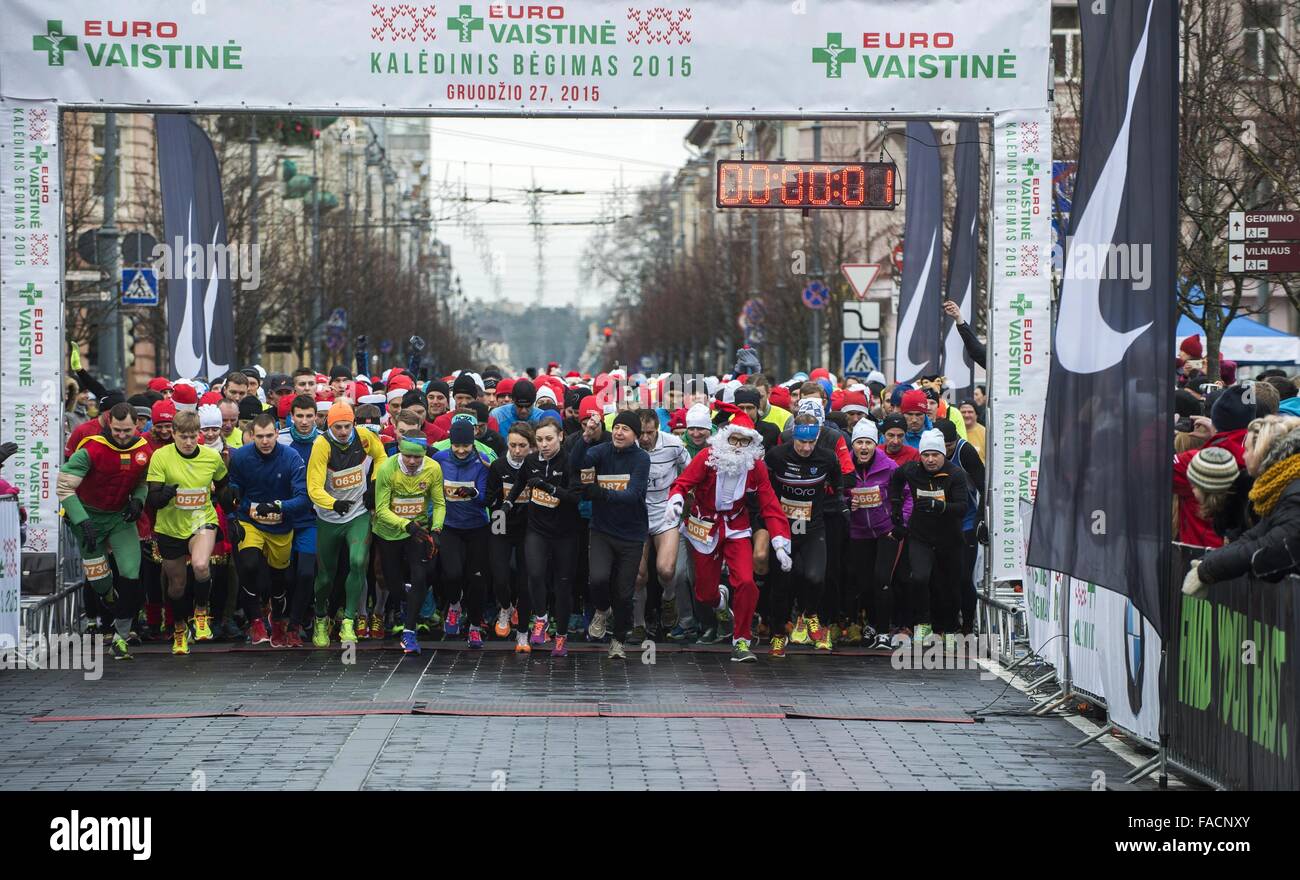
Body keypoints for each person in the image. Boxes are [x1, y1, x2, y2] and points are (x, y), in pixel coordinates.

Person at [663, 403, 792, 662]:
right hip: (704, 527)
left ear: (751, 446)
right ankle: (720, 600)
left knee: (745, 582)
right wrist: (675, 501)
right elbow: (682, 483)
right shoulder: (707, 458)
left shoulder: (755, 467)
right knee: (705, 593)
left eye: (744, 442)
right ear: (724, 438)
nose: (737, 446)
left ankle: (741, 641)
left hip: (736, 527)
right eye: (733, 439)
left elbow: (769, 504)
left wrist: (780, 541)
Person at [56, 403, 153, 660]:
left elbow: (143, 481)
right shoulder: (92, 448)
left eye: (128, 430)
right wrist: (81, 519)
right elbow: (64, 487)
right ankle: (110, 599)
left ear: (137, 426)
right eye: (118, 430)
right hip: (88, 519)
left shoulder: (143, 449)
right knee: (101, 583)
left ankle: (121, 638)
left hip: (119, 519)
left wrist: (138, 501)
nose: (123, 436)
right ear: (110, 424)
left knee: (131, 573)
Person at [146, 409, 231, 655]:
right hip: (170, 527)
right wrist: (165, 494)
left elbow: (224, 485)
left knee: (201, 565)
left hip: (201, 519)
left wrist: (231, 505)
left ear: (200, 435)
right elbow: (153, 498)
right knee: (177, 585)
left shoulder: (211, 457)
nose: (188, 442)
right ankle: (180, 627)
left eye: (193, 436)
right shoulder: (161, 457)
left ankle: (202, 611)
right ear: (173, 434)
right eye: (183, 436)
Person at [1185, 418, 1300, 596]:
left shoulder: (1293, 494)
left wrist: (1208, 570)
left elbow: (1272, 546)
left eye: (1247, 450)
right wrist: (1207, 563)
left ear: (1263, 453)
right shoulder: (1277, 489)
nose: (1243, 456)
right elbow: (1254, 536)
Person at [306, 401, 389, 647]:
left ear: (353, 423)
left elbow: (381, 455)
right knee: (325, 577)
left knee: (357, 562)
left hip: (358, 514)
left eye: (347, 426)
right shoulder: (321, 445)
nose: (343, 432)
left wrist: (374, 482)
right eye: (337, 427)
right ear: (329, 426)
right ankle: (321, 616)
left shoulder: (364, 436)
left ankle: (349, 621)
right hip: (329, 517)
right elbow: (313, 488)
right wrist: (332, 503)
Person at [227, 413, 309, 647]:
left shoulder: (291, 457)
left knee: (279, 579)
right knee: (250, 565)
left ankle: (278, 620)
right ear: (252, 436)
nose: (265, 441)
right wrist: (234, 494)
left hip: (280, 524)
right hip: (250, 520)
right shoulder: (241, 456)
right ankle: (255, 620)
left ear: (277, 434)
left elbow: (303, 498)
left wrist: (278, 506)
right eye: (260, 437)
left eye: (270, 436)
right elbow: (234, 485)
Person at [765, 412, 843, 655]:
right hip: (783, 528)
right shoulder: (777, 456)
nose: (807, 448)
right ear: (793, 438)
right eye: (802, 442)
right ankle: (778, 633)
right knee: (781, 582)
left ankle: (810, 614)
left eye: (811, 442)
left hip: (813, 526)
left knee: (815, 577)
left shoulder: (827, 458)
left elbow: (837, 487)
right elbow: (765, 489)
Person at [575, 411, 651, 658]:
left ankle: (618, 641)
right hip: (602, 529)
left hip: (631, 534)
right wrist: (586, 437)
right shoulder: (602, 451)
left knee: (623, 590)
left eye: (625, 429)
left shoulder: (641, 459)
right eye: (616, 427)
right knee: (597, 579)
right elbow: (576, 462)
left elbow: (632, 495)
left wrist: (601, 493)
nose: (619, 432)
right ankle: (601, 610)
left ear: (635, 436)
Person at [506, 418, 583, 656]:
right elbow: (520, 483)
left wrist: (549, 488)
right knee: (535, 574)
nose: (544, 444)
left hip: (565, 533)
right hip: (537, 529)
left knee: (562, 585)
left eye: (549, 439)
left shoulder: (570, 461)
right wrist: (507, 503)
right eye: (539, 440)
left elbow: (575, 497)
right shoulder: (530, 460)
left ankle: (561, 636)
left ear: (560, 436)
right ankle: (541, 618)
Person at [889, 428, 969, 651]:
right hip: (920, 536)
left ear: (943, 455)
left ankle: (950, 628)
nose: (931, 460)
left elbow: (962, 507)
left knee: (950, 585)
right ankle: (922, 623)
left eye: (935, 455)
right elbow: (896, 478)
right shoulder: (912, 470)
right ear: (920, 455)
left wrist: (940, 505)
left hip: (949, 538)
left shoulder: (955, 474)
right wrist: (895, 505)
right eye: (926, 455)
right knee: (920, 578)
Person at [373, 433, 446, 654]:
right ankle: (406, 601)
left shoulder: (433, 468)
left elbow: (440, 503)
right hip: (389, 533)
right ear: (400, 453)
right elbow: (381, 509)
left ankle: (409, 632)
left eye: (417, 457)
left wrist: (436, 528)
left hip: (419, 530)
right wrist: (405, 525)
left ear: (424, 454)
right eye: (407, 456)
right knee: (394, 584)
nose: (412, 461)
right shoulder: (387, 469)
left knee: (420, 577)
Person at [845, 419, 907, 648]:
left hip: (884, 531)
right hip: (859, 532)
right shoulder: (846, 467)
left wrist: (900, 525)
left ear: (875, 445)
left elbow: (908, 495)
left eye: (868, 443)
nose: (863, 447)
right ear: (853, 445)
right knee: (864, 582)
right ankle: (871, 624)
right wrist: (847, 503)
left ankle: (883, 630)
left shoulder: (889, 466)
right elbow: (836, 493)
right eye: (859, 442)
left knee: (882, 579)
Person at [432, 419, 493, 647]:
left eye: (465, 445)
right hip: (450, 527)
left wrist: (473, 493)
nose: (460, 450)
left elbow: (486, 499)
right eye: (456, 445)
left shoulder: (482, 462)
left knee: (476, 580)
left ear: (473, 442)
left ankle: (475, 625)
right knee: (452, 574)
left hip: (477, 528)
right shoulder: (440, 459)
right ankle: (455, 605)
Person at [634, 408, 691, 642]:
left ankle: (668, 599)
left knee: (667, 570)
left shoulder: (674, 444)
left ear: (658, 428)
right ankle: (638, 624)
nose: (645, 438)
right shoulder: (627, 444)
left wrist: (683, 499)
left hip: (665, 513)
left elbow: (691, 473)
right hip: (636, 515)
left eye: (650, 432)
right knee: (638, 575)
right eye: (641, 433)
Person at [1172, 384, 1252, 548]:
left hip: (1199, 552)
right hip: (1239, 550)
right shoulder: (1256, 452)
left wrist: (1161, 429)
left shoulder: (1199, 460)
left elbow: (1146, 470)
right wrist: (1217, 435)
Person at [278, 394, 323, 645]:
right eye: (300, 416)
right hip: (283, 516)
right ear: (291, 417)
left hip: (311, 518)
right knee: (287, 575)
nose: (304, 421)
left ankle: (296, 623)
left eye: (309, 416)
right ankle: (292, 617)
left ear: (316, 416)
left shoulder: (323, 440)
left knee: (307, 573)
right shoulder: (281, 439)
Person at [486, 423, 533, 646]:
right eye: (513, 445)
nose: (516, 450)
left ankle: (523, 631)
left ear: (530, 446)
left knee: (525, 583)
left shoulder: (534, 466)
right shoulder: (497, 466)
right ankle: (505, 607)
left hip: (528, 528)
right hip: (501, 524)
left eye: (522, 446)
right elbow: (489, 497)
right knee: (500, 576)